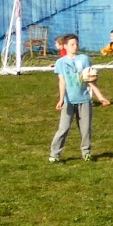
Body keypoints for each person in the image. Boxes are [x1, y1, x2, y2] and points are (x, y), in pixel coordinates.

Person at [49, 33, 94, 162]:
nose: (75, 47)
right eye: (72, 44)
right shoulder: (60, 62)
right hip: (69, 101)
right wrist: (61, 99)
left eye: (77, 44)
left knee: (85, 129)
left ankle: (86, 152)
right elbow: (62, 81)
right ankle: (54, 154)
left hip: (84, 99)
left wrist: (100, 95)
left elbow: (90, 79)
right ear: (65, 46)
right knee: (63, 128)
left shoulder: (84, 59)